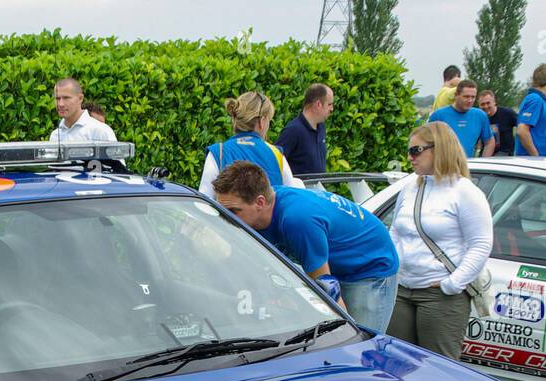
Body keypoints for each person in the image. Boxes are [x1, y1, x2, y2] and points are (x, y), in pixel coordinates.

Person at [212, 160, 400, 331]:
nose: (225, 218)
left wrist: (346, 333)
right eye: (221, 210)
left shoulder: (297, 220)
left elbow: (327, 289)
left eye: (232, 211)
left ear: (259, 202)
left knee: (359, 346)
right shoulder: (261, 207)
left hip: (371, 267)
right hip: (339, 259)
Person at [385, 122, 492, 361]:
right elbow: (396, 232)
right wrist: (392, 270)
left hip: (441, 297)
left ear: (439, 149)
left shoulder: (464, 192)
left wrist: (452, 284)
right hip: (402, 290)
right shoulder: (411, 187)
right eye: (409, 151)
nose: (410, 158)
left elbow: (481, 244)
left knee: (439, 370)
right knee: (397, 364)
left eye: (415, 151)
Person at [198, 91, 304, 200]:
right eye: (269, 121)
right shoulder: (276, 154)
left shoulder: (218, 152)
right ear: (262, 121)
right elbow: (291, 199)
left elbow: (204, 201)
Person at [275, 83, 334, 176]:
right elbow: (275, 161)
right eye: (329, 104)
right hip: (299, 189)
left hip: (318, 188)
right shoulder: (293, 130)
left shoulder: (321, 127)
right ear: (318, 104)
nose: (332, 109)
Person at [429, 80, 495, 158]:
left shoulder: (480, 115)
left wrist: (483, 162)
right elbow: (427, 143)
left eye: (473, 97)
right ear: (456, 95)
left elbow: (490, 141)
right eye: (466, 97)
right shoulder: (438, 116)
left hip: (469, 167)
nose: (470, 100)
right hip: (445, 168)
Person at [50, 78, 115, 143]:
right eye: (57, 98)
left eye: (66, 98)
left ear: (80, 98)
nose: (61, 104)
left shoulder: (100, 131)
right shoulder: (55, 136)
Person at [515, 64, 546, 157]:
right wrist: (536, 157)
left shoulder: (536, 99)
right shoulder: (536, 100)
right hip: (531, 162)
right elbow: (522, 131)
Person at [478, 89, 517, 156]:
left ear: (494, 102)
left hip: (505, 155)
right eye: (482, 104)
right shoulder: (479, 117)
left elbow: (522, 126)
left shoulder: (507, 113)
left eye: (488, 103)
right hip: (486, 154)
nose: (486, 106)